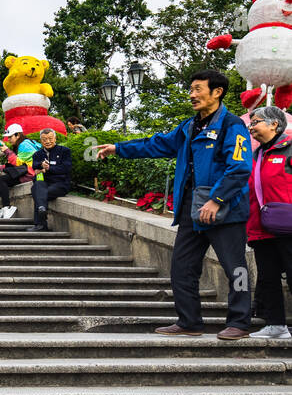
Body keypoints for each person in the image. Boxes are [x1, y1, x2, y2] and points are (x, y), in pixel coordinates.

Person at [97, 69, 252, 339]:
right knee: (181, 267)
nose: (192, 95)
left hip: (225, 209)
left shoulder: (232, 125)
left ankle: (239, 322)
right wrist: (119, 148)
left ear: (217, 92)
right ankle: (189, 321)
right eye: (190, 89)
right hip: (191, 209)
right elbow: (156, 145)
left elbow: (239, 169)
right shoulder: (189, 126)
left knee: (235, 267)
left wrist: (216, 200)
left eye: (198, 89)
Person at [246, 106, 292, 339]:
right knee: (269, 277)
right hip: (262, 228)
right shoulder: (257, 154)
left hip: (288, 227)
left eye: (255, 122)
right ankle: (276, 325)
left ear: (274, 124)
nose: (251, 126)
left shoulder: (289, 149)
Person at [0, 124, 36, 219]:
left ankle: (7, 207)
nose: (8, 139)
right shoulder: (20, 145)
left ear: (18, 135)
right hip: (23, 172)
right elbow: (12, 163)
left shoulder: (25, 145)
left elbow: (18, 163)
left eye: (10, 137)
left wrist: (7, 151)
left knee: (0, 180)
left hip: (29, 174)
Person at [28, 127, 72, 232]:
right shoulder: (37, 154)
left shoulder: (64, 151)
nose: (48, 141)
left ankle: (40, 223)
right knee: (37, 186)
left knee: (39, 192)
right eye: (44, 139)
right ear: (41, 141)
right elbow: (35, 166)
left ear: (55, 139)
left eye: (50, 138)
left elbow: (66, 168)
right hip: (44, 183)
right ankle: (42, 210)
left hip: (60, 184)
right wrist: (40, 165)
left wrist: (48, 169)